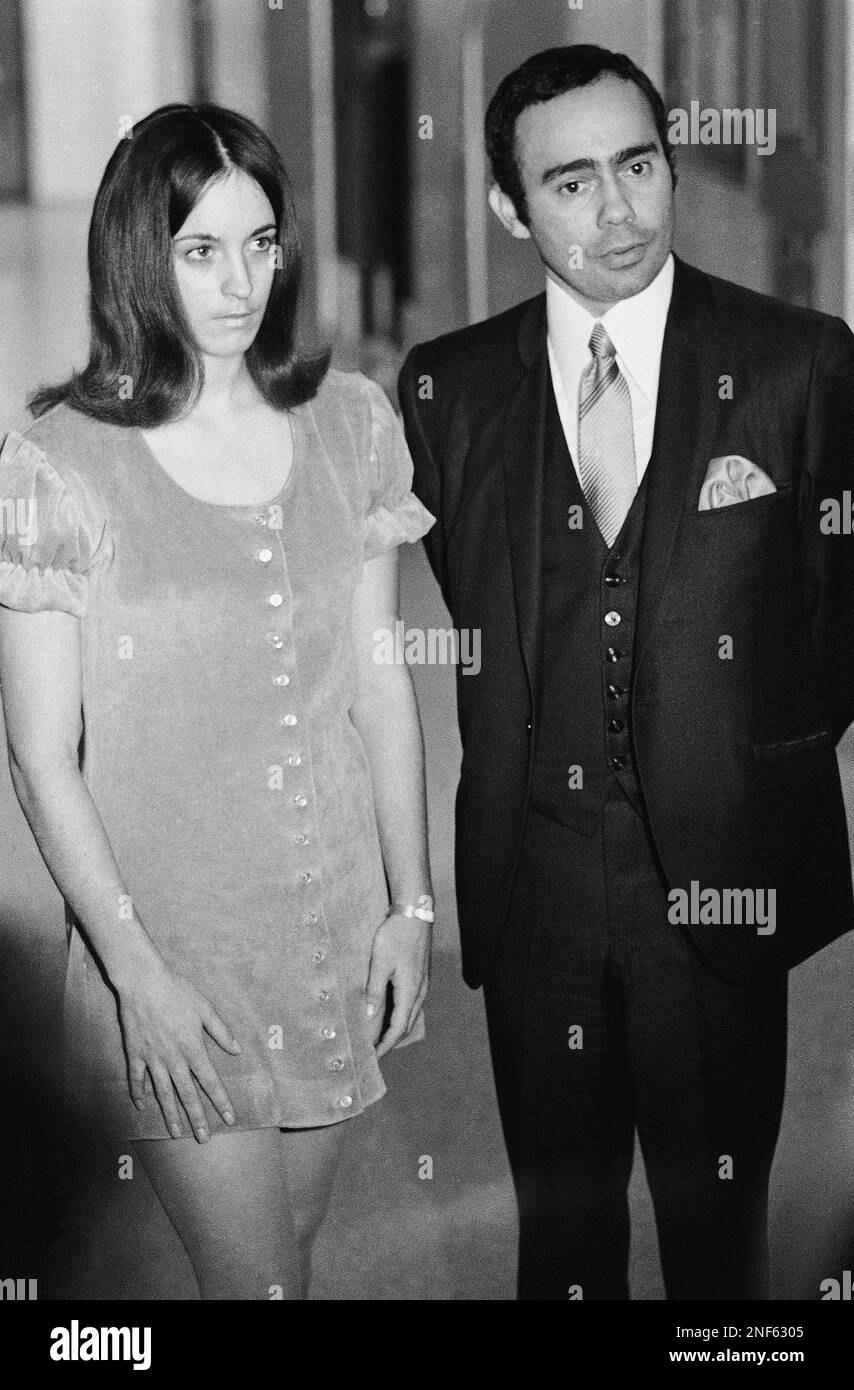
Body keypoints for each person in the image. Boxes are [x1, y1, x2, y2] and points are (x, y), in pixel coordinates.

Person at [398, 44, 854, 1300]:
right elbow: (475, 599)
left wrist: (724, 742)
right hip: (530, 883)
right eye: (570, 183)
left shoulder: (796, 361)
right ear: (508, 207)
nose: (617, 212)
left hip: (711, 887)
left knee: (722, 1257)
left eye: (637, 165)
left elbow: (832, 627)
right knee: (562, 1248)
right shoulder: (446, 388)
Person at [0, 102, 435, 1301]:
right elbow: (42, 758)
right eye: (201, 250)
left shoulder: (350, 422)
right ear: (142, 256)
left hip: (333, 928)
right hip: (179, 954)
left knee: (291, 1256)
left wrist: (410, 904)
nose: (240, 282)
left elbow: (383, 681)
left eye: (260, 243)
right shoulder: (58, 463)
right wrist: (135, 969)